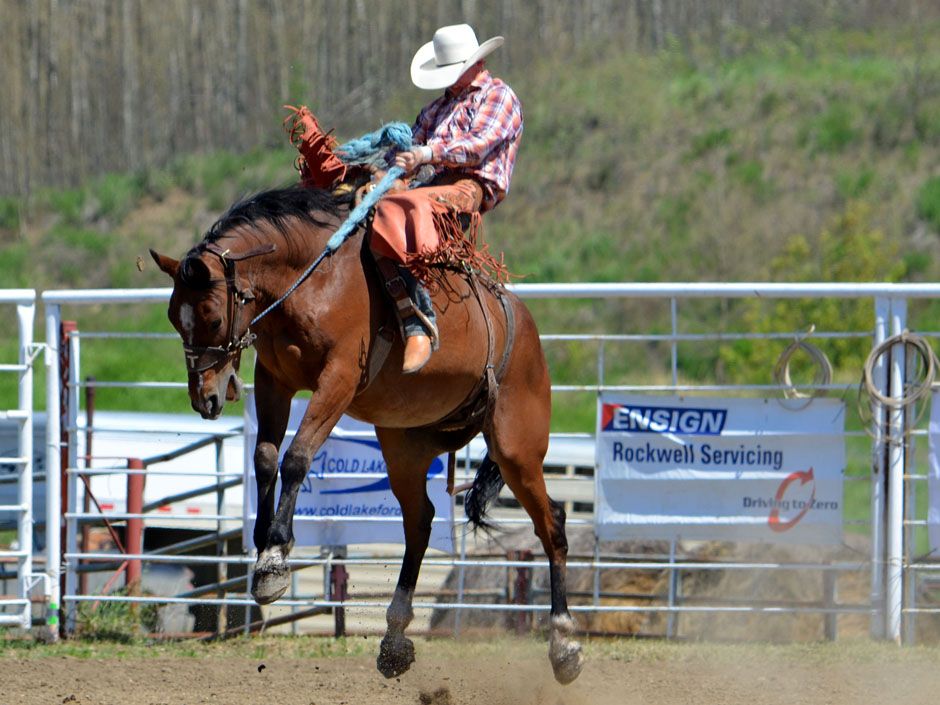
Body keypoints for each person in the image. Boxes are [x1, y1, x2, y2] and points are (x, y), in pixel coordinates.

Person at [370, 23, 523, 374]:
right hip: (427, 185)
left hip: (468, 189)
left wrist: (425, 154)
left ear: (475, 63)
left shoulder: (499, 97)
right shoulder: (435, 109)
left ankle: (419, 317)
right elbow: (410, 147)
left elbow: (478, 145)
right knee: (371, 203)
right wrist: (390, 163)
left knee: (402, 207)